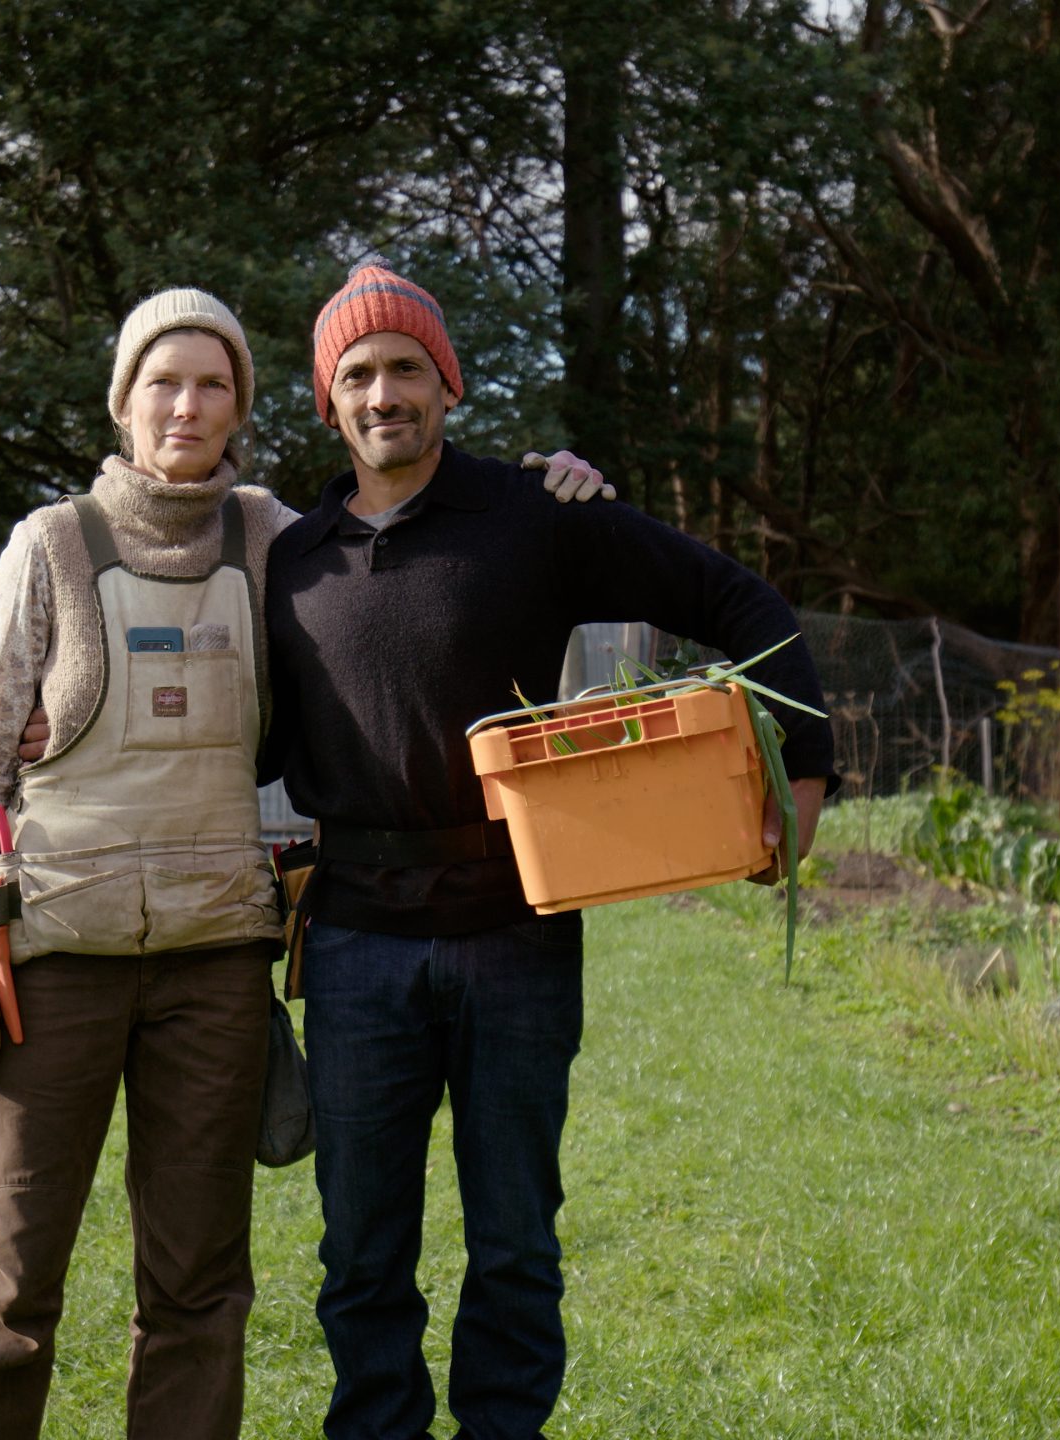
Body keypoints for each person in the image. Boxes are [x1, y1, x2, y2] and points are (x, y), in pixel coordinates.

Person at [0, 286, 609, 1439]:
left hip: (218, 967)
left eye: (212, 384)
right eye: (162, 383)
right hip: (52, 961)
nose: (185, 406)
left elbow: (411, 531)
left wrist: (546, 486)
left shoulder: (275, 540)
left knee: (197, 1288)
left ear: (241, 406)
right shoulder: (48, 546)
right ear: (124, 401)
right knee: (8, 1280)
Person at [262, 258, 836, 1440]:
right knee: (361, 1254)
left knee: (514, 1242)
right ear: (328, 400)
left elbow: (741, 605)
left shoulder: (535, 516)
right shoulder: (288, 562)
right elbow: (240, 743)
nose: (384, 395)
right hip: (357, 948)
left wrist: (810, 770)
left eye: (407, 369)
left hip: (516, 936)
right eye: (357, 374)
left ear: (448, 384)